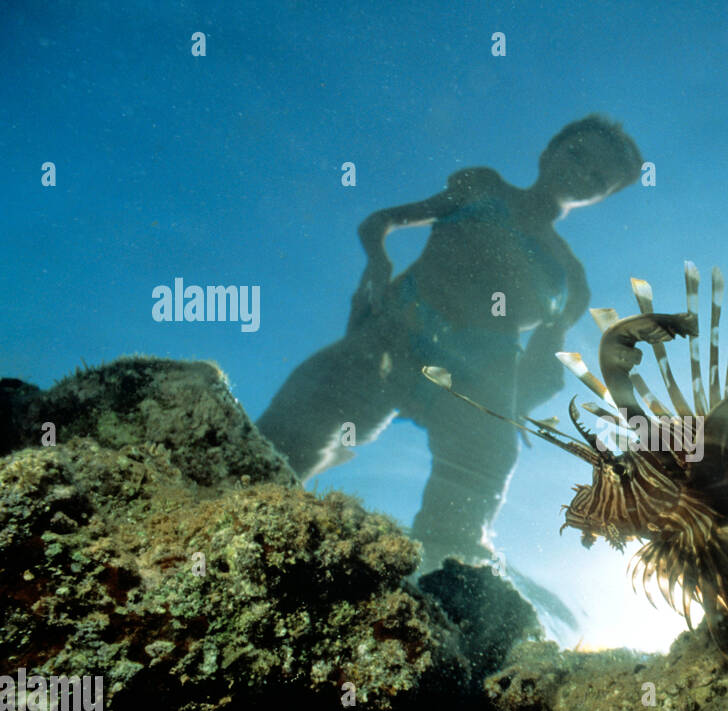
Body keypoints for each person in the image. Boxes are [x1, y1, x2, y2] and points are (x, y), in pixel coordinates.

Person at [256, 116, 642, 567]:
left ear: (603, 197)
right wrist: (377, 263)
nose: (581, 173)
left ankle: (447, 570)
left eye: (598, 178)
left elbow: (544, 361)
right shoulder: (482, 187)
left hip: (479, 379)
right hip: (392, 335)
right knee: (291, 434)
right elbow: (379, 222)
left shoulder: (571, 278)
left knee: (482, 469)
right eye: (576, 155)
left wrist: (515, 412)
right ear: (547, 151)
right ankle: (253, 508)